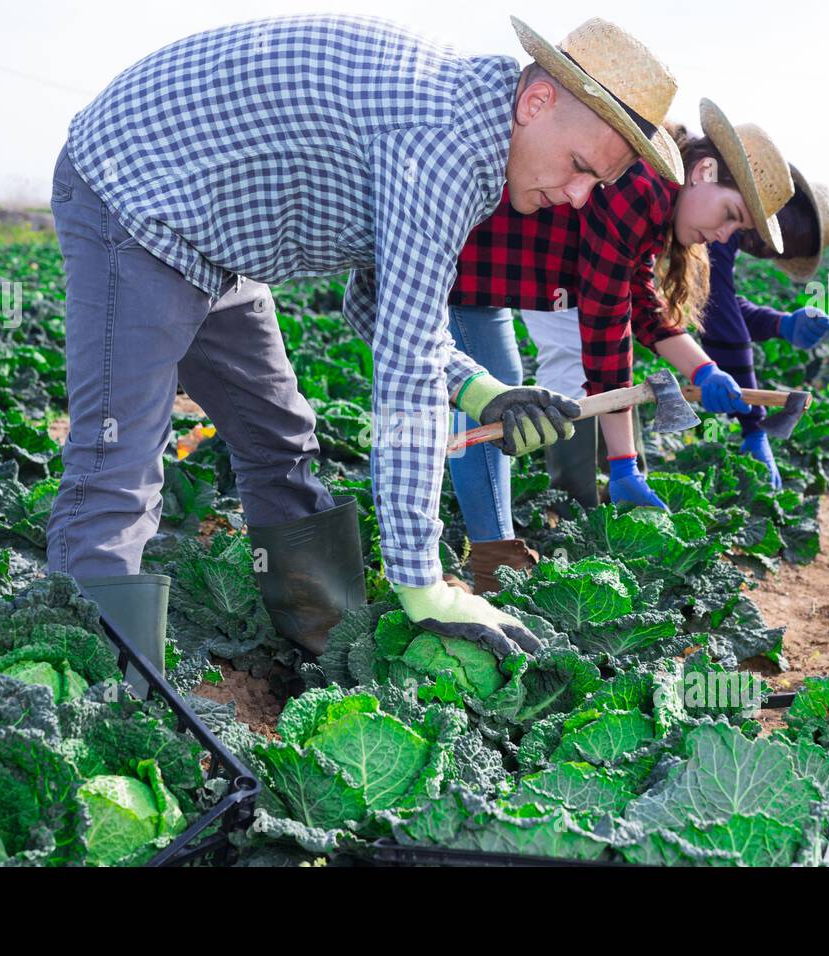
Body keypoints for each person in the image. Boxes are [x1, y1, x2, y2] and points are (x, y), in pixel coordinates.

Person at [46, 14, 681, 663]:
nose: (576, 196)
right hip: (133, 194)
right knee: (118, 463)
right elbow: (406, 368)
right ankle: (100, 692)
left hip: (213, 235)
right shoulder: (447, 141)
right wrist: (423, 582)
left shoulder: (480, 134)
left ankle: (326, 642)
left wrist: (488, 395)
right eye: (578, 166)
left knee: (277, 437)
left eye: (594, 183)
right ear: (537, 102)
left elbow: (379, 309)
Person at [448, 99, 794, 592]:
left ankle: (494, 556)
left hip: (488, 278)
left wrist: (704, 372)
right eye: (730, 215)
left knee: (495, 393)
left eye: (734, 231)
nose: (721, 234)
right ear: (704, 171)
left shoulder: (657, 201)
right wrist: (623, 465)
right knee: (487, 400)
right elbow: (606, 321)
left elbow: (640, 304)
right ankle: (490, 563)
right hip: (466, 260)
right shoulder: (641, 187)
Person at [699, 169, 829, 488]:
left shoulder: (729, 233)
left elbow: (716, 302)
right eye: (783, 235)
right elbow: (716, 308)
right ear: (777, 203)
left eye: (783, 253)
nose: (771, 251)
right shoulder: (716, 218)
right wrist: (753, 425)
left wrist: (780, 324)